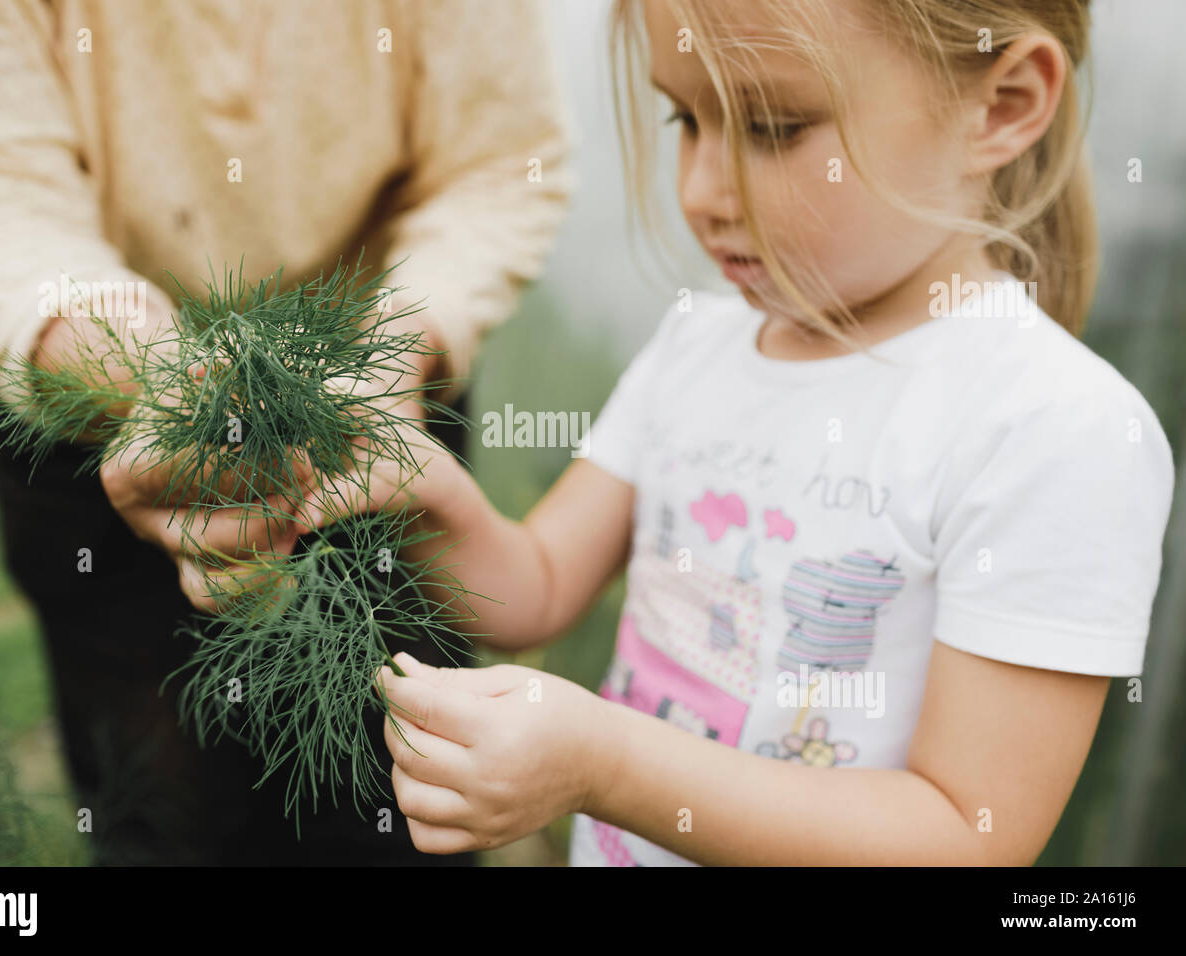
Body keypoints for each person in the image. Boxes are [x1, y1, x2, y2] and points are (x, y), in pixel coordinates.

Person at [319, 0, 1175, 864]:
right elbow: (535, 586)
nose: (699, 191)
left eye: (774, 127)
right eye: (687, 118)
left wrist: (606, 765)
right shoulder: (699, 342)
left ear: (1004, 106)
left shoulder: (1051, 430)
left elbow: (963, 836)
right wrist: (412, 489)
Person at [0, 0, 571, 865]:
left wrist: (393, 349)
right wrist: (161, 387)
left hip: (378, 416)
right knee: (162, 816)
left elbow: (501, 160)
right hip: (100, 415)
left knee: (396, 803)